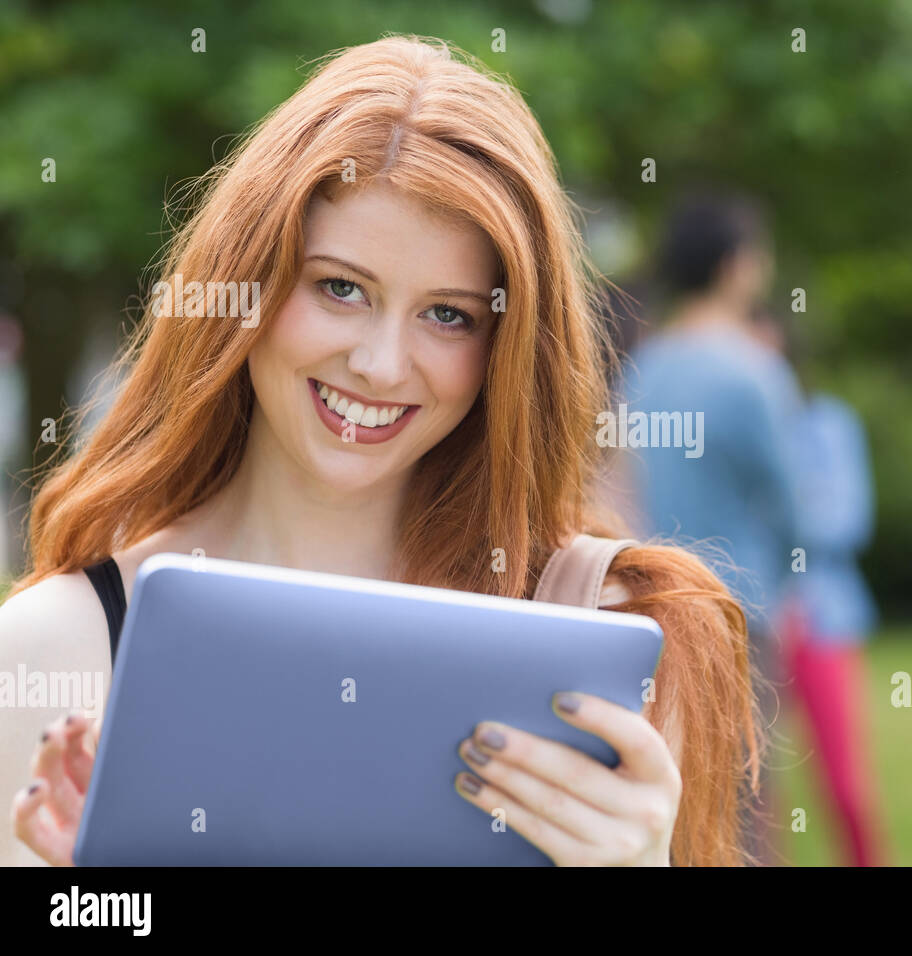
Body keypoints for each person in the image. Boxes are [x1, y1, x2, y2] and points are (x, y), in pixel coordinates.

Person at [0, 36, 766, 867]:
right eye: (339, 287)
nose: (380, 363)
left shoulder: (606, 632)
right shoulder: (55, 652)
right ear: (245, 282)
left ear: (505, 350)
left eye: (449, 315)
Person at [618, 191, 801, 864]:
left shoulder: (644, 369)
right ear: (736, 266)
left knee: (680, 801)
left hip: (659, 611)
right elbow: (794, 508)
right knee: (750, 805)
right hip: (738, 614)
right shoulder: (754, 371)